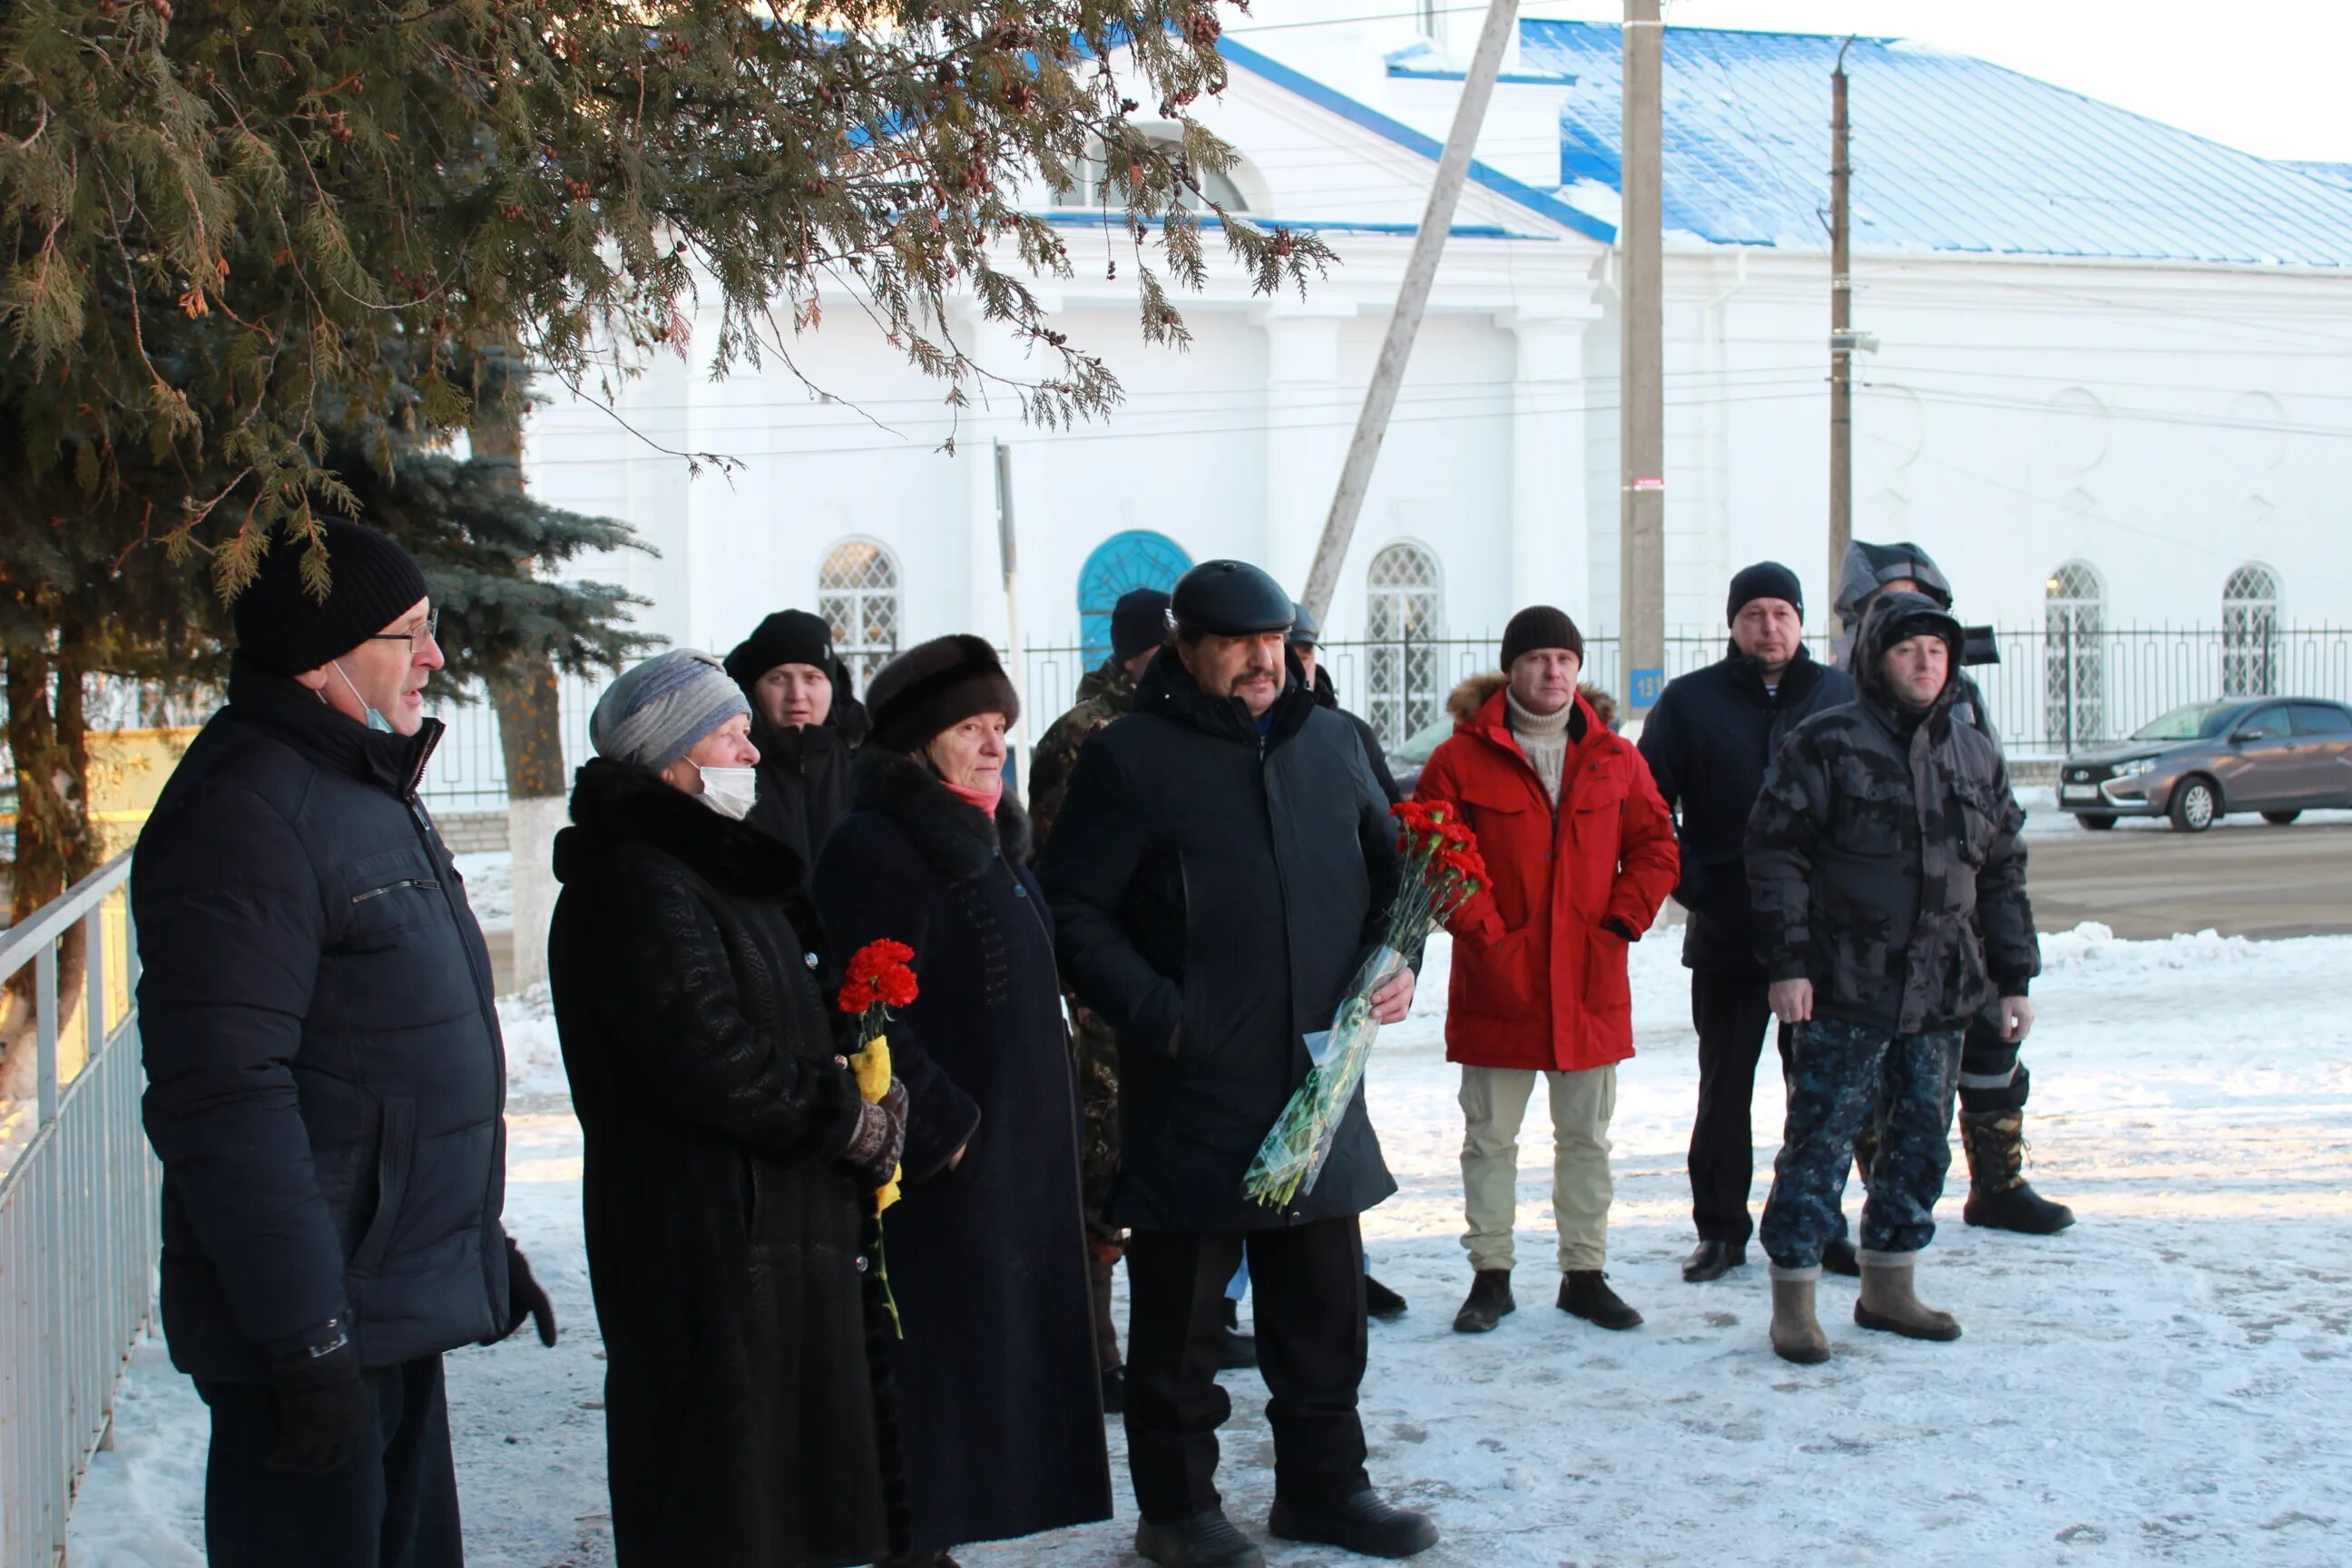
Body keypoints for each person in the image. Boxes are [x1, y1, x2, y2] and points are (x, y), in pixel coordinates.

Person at [133, 519, 555, 1568]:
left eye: (431, 627)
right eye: (407, 633)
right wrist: (304, 1336)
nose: (434, 656)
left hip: (376, 1313)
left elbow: (378, 1056)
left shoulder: (355, 785)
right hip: (316, 1336)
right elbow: (226, 1096)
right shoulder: (248, 812)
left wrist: (465, 1242)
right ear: (319, 658)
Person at [1040, 560, 1437, 1568]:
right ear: (1187, 652)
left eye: (1275, 640)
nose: (1263, 661)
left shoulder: (1336, 741)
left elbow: (1398, 873)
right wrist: (1167, 1017)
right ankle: (1177, 1511)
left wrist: (1400, 961)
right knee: (1181, 1331)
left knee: (1323, 1313)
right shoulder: (1131, 757)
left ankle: (1325, 1489)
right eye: (1237, 644)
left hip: (1319, 1080)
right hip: (1195, 1089)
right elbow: (1073, 911)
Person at [547, 649, 905, 1566]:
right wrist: (841, 1116)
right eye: (730, 733)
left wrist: (853, 1070)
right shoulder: (637, 878)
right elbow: (710, 1056)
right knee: (722, 1501)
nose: (751, 754)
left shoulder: (712, 870)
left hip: (766, 1229)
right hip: (703, 1237)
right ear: (670, 755)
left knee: (782, 1500)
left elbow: (768, 1023)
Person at [812, 635, 1112, 1567]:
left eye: (999, 727)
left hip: (1017, 1150)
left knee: (996, 1361)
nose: (993, 746)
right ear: (915, 743)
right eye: (970, 729)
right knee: (938, 1363)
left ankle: (943, 1535)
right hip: (946, 1167)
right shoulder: (878, 845)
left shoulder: (988, 831)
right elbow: (860, 1008)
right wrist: (946, 1133)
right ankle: (919, 1542)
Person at [1746, 592, 2040, 1364]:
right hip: (1845, 985)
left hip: (1943, 989)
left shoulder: (1972, 752)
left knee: (1919, 1145)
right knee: (1820, 1144)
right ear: (1878, 658)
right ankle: (1796, 1297)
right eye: (1909, 650)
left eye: (1938, 652)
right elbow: (1777, 856)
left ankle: (1890, 1285)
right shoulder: (1827, 743)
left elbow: (2003, 870)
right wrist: (1790, 964)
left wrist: (2014, 978)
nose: (1925, 663)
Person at [1416, 608, 1680, 1337]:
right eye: (1537, 659)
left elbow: (1657, 844)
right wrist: (1487, 935)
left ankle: (1585, 1274)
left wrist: (1622, 921)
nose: (1552, 672)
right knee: (1490, 1139)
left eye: (1565, 658)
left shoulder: (1615, 758)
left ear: (1579, 669)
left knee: (1587, 1138)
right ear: (1512, 669)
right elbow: (1436, 854)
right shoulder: (1460, 759)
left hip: (1590, 983)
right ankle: (1490, 1276)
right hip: (1499, 982)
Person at [1028, 588, 1250, 1409]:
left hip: (1187, 991)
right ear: (1145, 653)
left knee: (1169, 1170)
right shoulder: (1088, 738)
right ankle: (1098, 1355)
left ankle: (1190, 1333)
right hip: (1109, 1000)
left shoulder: (1200, 727)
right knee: (1101, 1168)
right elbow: (1065, 876)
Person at [1834, 541, 2074, 1234]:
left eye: (1923, 605)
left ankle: (1998, 1185)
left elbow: (1999, 829)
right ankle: (1890, 1210)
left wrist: (2013, 960)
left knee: (1994, 1043)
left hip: (1960, 919)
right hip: (1870, 936)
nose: (1911, 625)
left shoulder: (1958, 692)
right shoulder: (1837, 695)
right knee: (1879, 1079)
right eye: (1890, 603)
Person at [1635, 563, 1857, 1285]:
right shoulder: (1690, 703)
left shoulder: (1841, 698)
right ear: (1733, 624)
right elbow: (1645, 808)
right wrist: (1694, 882)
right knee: (1724, 1088)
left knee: (1819, 1089)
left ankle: (1820, 1221)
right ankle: (1721, 1230)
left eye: (1782, 614)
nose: (1769, 628)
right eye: (1754, 614)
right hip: (1728, 930)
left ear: (1801, 622)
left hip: (1820, 938)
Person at [723, 607, 869, 875]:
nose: (797, 694)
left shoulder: (868, 763)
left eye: (812, 677)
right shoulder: (729, 770)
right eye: (778, 679)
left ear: (832, 685)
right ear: (753, 689)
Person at [1289, 601, 1403, 807]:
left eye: (1305, 658)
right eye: (1289, 658)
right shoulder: (1254, 734)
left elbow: (1392, 813)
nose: (1298, 669)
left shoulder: (1353, 731)